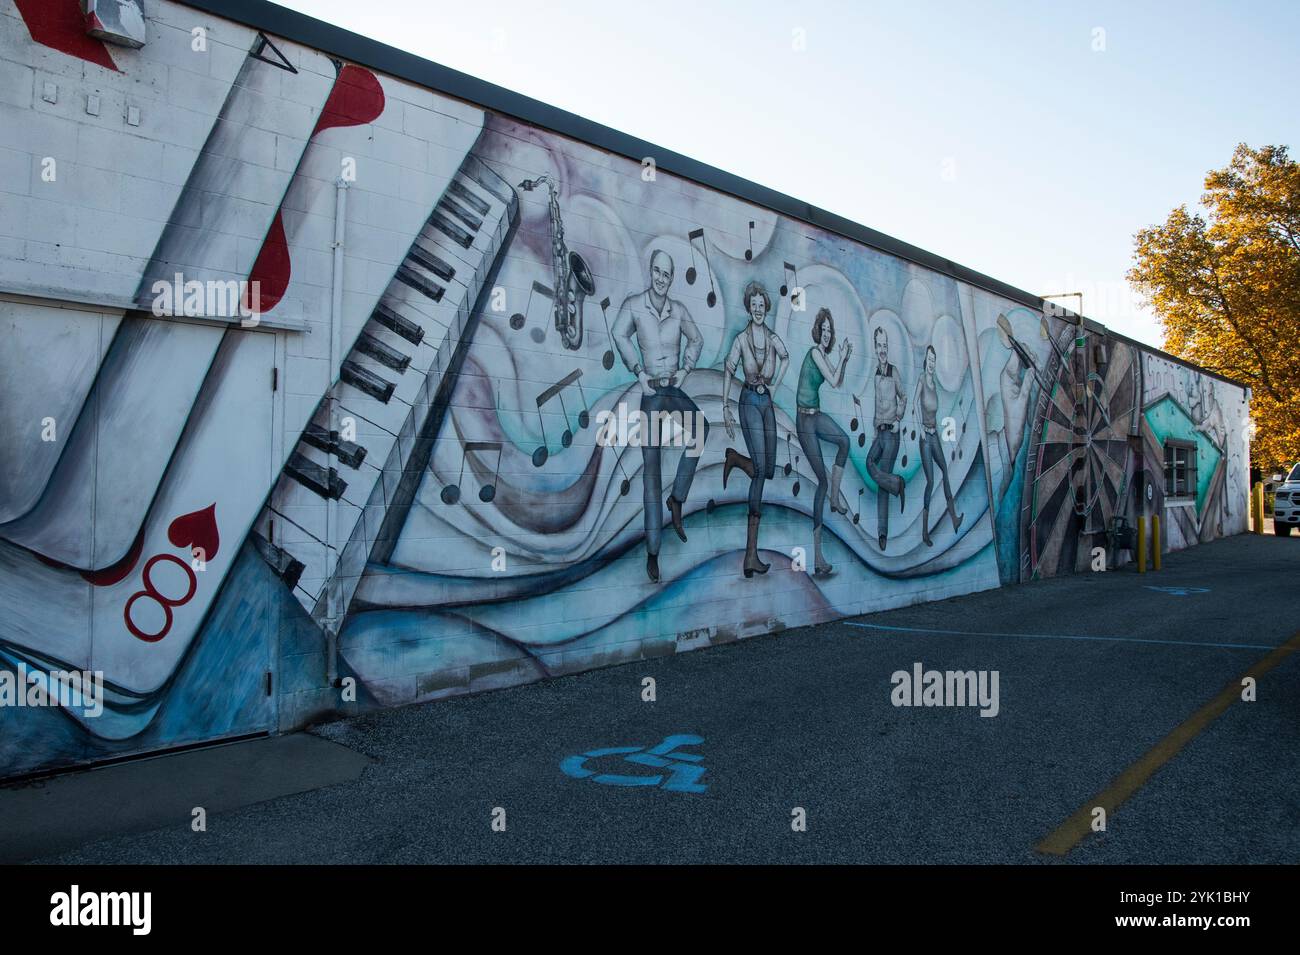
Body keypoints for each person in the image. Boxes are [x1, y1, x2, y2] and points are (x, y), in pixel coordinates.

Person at [611, 249, 706, 583]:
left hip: (672, 389)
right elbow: (618, 333)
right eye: (656, 272)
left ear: (672, 278)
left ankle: (677, 499)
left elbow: (697, 339)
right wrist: (637, 372)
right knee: (651, 471)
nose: (661, 279)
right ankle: (653, 553)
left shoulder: (678, 311)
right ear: (650, 272)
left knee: (701, 430)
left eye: (666, 274)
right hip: (651, 392)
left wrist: (685, 370)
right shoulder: (636, 305)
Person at [721, 281, 788, 577]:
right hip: (748, 400)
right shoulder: (741, 339)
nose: (758, 310)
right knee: (760, 472)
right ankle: (751, 555)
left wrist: (777, 381)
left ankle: (736, 459)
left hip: (766, 402)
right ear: (748, 308)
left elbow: (786, 358)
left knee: (769, 469)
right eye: (754, 305)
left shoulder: (772, 339)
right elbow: (728, 369)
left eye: (762, 305)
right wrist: (725, 405)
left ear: (766, 308)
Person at [795, 308, 852, 574]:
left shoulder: (823, 356)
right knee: (821, 481)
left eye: (831, 330)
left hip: (816, 415)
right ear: (819, 329)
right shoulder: (815, 352)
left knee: (844, 441)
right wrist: (840, 359)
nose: (828, 335)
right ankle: (817, 558)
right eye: (825, 329)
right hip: (804, 421)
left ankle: (833, 499)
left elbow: (838, 382)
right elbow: (832, 378)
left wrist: (843, 360)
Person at [911, 344, 963, 546]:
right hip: (925, 438)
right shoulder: (922, 380)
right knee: (931, 482)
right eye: (929, 359)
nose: (931, 363)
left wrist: (937, 433)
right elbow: (915, 404)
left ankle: (954, 518)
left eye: (934, 360)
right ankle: (924, 532)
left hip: (935, 436)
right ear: (925, 360)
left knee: (945, 471)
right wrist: (920, 429)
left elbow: (935, 413)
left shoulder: (935, 385)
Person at [866, 326, 907, 550]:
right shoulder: (875, 374)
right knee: (869, 463)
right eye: (879, 345)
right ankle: (897, 483)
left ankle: (882, 532)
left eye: (885, 346)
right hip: (879, 433)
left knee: (881, 484)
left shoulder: (893, 372)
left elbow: (904, 396)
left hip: (891, 434)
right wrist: (874, 430)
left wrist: (899, 417)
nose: (883, 350)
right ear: (874, 347)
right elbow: (876, 404)